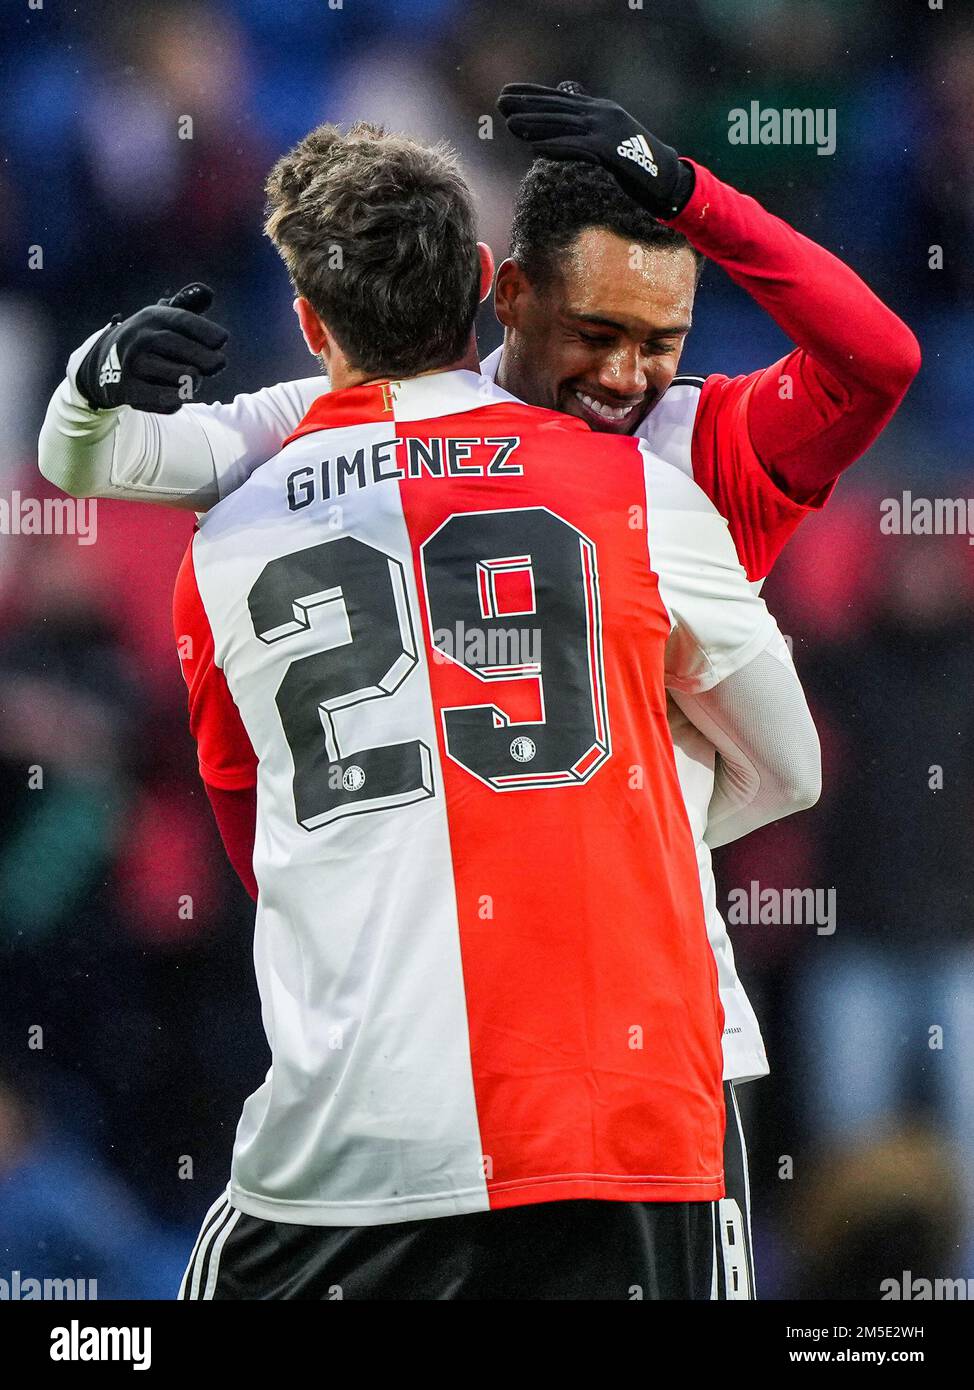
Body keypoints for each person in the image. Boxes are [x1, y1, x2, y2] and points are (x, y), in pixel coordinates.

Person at [37, 83, 913, 1296]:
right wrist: (93, 383)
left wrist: (691, 191)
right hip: (579, 1072)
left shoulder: (682, 443)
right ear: (503, 293)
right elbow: (103, 453)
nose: (625, 375)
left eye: (659, 341)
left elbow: (880, 359)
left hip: (613, 1019)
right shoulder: (616, 480)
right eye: (594, 331)